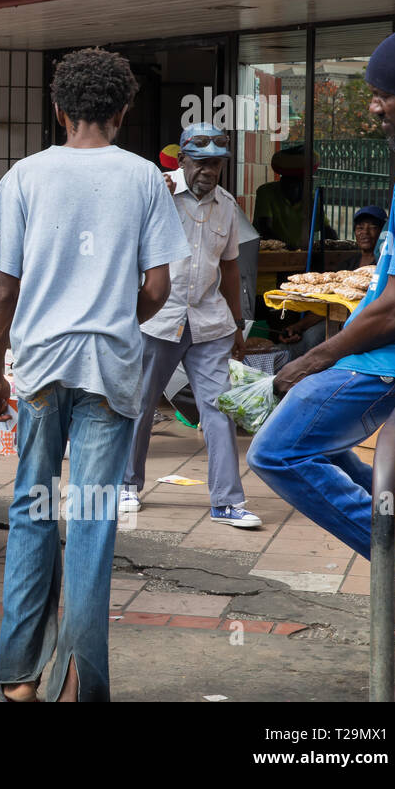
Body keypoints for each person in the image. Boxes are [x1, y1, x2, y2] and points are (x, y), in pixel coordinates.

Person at [0, 48, 189, 702]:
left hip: (39, 367)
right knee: (93, 523)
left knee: (33, 514)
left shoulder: (24, 177)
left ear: (59, 109)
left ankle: (16, 683)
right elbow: (160, 284)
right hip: (111, 371)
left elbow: (2, 291)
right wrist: (118, 315)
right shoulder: (145, 180)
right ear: (122, 113)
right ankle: (78, 687)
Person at [247, 11, 395, 644]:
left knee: (277, 452)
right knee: (316, 447)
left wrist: (315, 357)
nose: (377, 107)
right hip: (394, 351)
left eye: (383, 94)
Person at [121, 122, 261, 528]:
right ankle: (127, 485)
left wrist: (237, 323)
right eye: (200, 162)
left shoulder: (227, 205)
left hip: (210, 322)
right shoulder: (156, 192)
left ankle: (227, 502)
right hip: (157, 320)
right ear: (183, 160)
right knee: (141, 404)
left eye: (216, 163)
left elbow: (230, 267)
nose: (209, 170)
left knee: (219, 410)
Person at [277, 205, 387, 358]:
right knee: (308, 337)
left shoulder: (384, 267)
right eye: (360, 228)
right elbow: (329, 303)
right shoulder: (347, 266)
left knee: (315, 338)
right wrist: (299, 327)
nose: (365, 233)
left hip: (364, 327)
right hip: (337, 322)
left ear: (383, 233)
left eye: (372, 227)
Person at [252, 145, 338, 249]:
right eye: (289, 180)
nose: (292, 185)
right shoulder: (266, 192)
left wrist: (337, 245)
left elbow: (326, 229)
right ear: (283, 179)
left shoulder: (312, 198)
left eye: (297, 181)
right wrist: (287, 248)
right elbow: (265, 229)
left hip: (301, 255)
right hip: (270, 253)